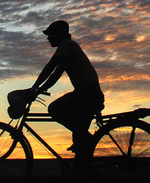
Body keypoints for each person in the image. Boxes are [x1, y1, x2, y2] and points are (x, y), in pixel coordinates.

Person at [29, 20, 104, 165]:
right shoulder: (68, 48)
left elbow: (51, 67)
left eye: (50, 34)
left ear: (59, 34)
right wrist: (39, 88)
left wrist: (35, 88)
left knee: (55, 109)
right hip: (89, 93)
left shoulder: (67, 46)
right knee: (80, 140)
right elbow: (56, 73)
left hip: (87, 93)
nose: (48, 38)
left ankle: (86, 139)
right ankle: (83, 170)